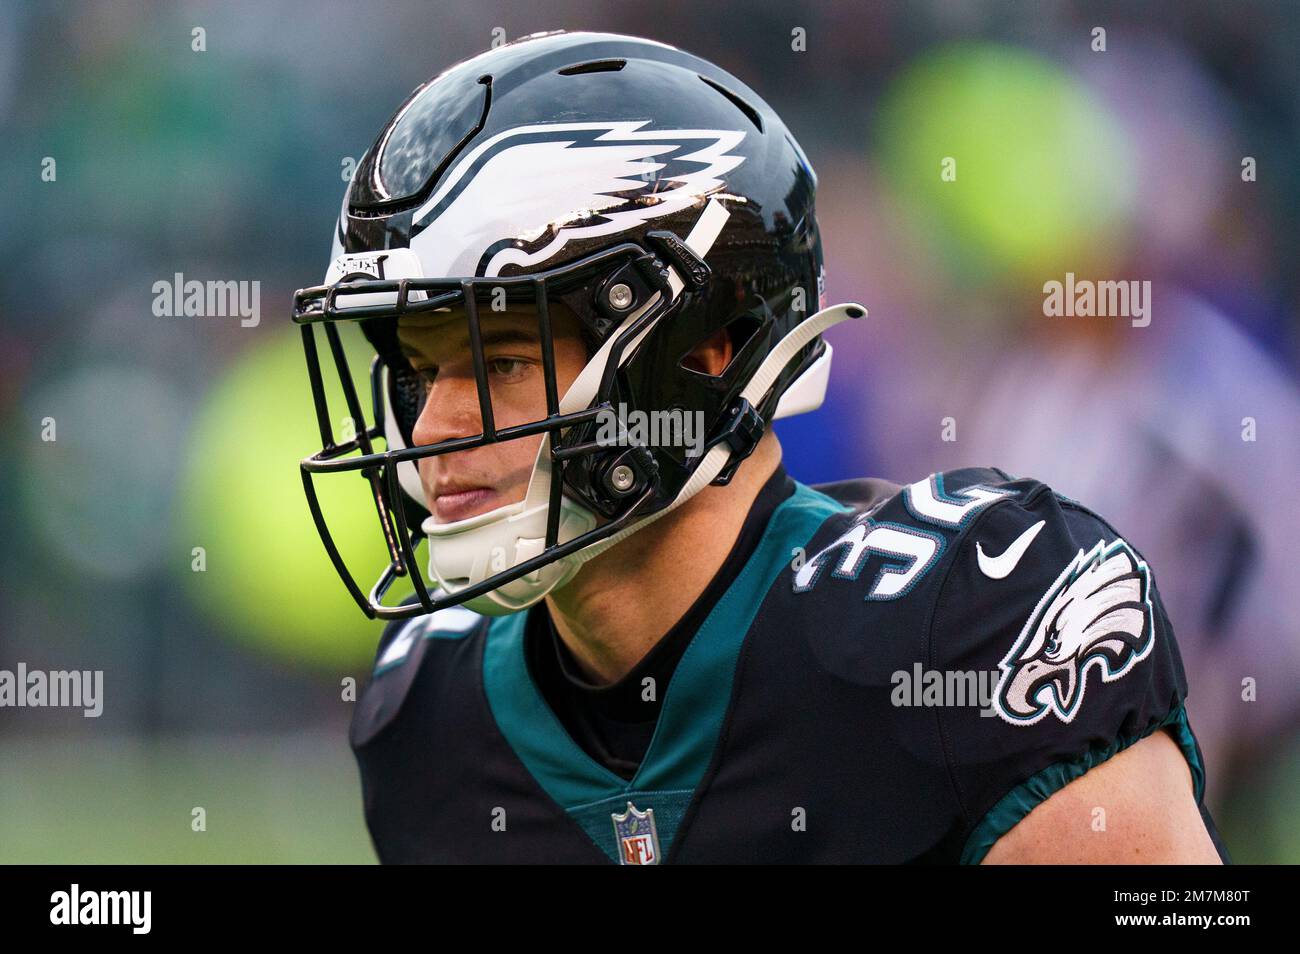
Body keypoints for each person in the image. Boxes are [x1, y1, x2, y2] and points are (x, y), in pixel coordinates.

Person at [292, 30, 1227, 864]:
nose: (430, 430)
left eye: (496, 363)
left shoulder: (964, 623)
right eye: (420, 373)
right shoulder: (431, 711)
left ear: (703, 350)